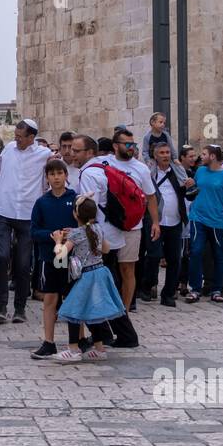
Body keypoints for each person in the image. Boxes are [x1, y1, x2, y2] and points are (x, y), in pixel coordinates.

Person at [71, 134, 138, 347]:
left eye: (76, 150)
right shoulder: (103, 166)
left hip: (100, 238)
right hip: (111, 234)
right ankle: (109, 334)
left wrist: (84, 236)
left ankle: (119, 335)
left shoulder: (89, 173)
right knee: (104, 287)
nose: (72, 154)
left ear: (89, 152)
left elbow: (88, 209)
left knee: (100, 288)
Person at [0, 119, 52, 325]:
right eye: (15, 136)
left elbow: (53, 173)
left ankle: (19, 309)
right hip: (4, 209)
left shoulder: (44, 155)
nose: (16, 140)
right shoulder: (8, 149)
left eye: (19, 136)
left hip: (28, 213)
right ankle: (0, 307)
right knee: (1, 257)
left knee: (24, 263)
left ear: (31, 137)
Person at [54, 197, 123, 363]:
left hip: (86, 277)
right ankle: (99, 349)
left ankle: (73, 350)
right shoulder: (98, 228)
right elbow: (106, 249)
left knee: (73, 311)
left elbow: (61, 255)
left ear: (75, 214)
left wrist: (58, 241)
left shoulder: (77, 234)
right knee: (94, 313)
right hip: (100, 273)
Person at [29, 157, 80, 358]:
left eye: (60, 173)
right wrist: (52, 235)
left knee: (73, 298)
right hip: (50, 257)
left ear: (66, 176)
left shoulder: (75, 199)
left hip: (72, 257)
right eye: (52, 174)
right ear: (47, 178)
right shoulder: (42, 202)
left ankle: (77, 341)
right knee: (50, 298)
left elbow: (85, 225)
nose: (56, 177)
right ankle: (49, 342)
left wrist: (71, 234)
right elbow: (34, 231)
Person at [106, 129, 159, 313]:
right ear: (115, 146)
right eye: (127, 144)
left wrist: (155, 222)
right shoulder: (104, 163)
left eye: (133, 144)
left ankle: (125, 312)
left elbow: (151, 197)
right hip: (109, 226)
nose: (131, 148)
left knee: (128, 268)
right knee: (108, 269)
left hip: (132, 227)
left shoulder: (141, 168)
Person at [186, 145, 223, 303]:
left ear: (213, 156)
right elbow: (195, 188)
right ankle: (195, 288)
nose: (201, 157)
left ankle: (217, 289)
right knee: (195, 251)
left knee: (219, 255)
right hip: (198, 217)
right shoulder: (200, 171)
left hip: (217, 220)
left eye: (204, 154)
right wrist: (190, 184)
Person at [143, 142, 189, 308]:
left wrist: (189, 187)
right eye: (161, 152)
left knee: (174, 259)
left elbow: (188, 196)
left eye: (168, 152)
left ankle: (168, 293)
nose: (165, 155)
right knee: (153, 255)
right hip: (156, 221)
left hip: (175, 221)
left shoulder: (178, 172)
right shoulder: (149, 173)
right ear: (155, 155)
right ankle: (147, 285)